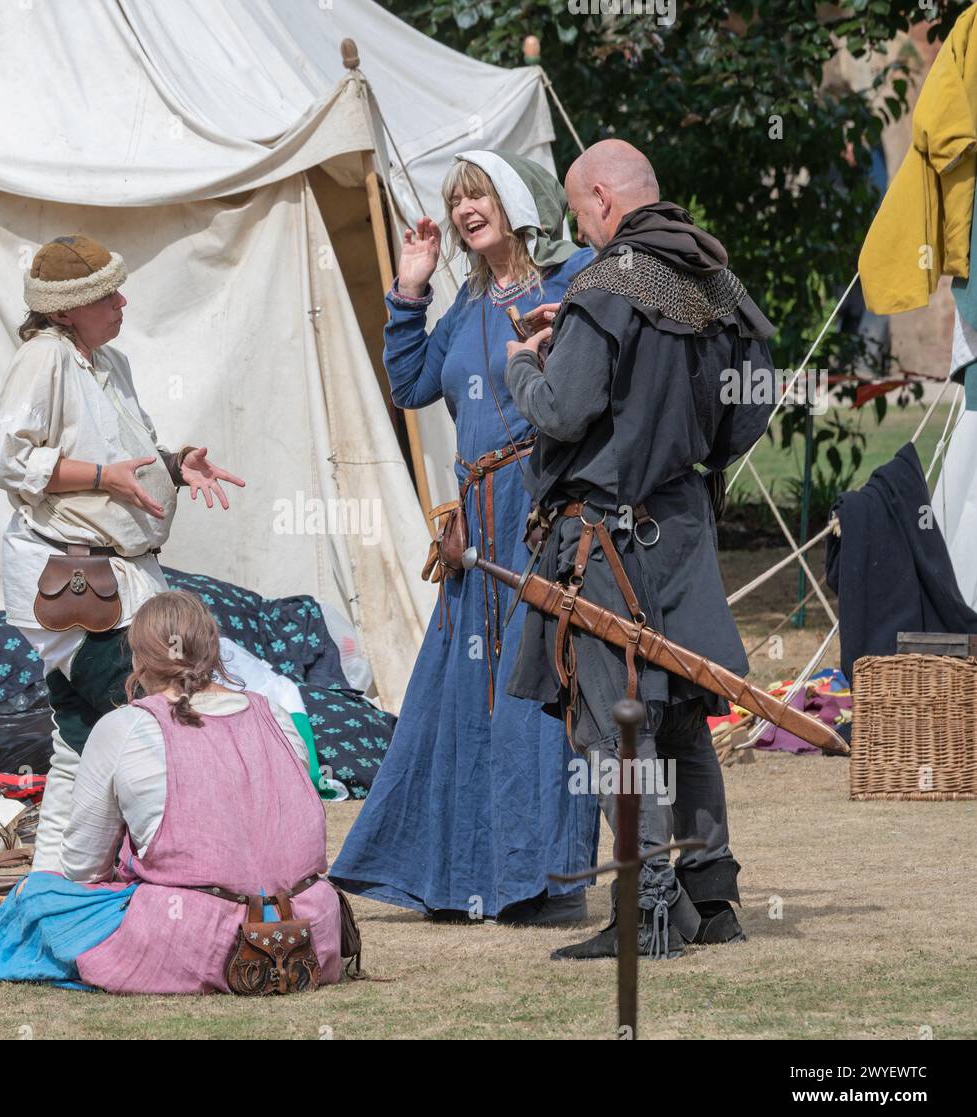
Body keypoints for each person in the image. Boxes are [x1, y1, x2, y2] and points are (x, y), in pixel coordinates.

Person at [501, 139, 774, 958]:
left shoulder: (608, 282)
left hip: (606, 538)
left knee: (622, 723)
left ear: (602, 201)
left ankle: (647, 911)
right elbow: (751, 401)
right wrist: (689, 451)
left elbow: (560, 409)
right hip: (682, 525)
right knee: (683, 716)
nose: (580, 231)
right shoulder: (719, 284)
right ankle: (711, 900)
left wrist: (523, 362)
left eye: (580, 214)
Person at [329, 151, 601, 925]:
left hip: (538, 509)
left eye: (476, 193)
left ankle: (546, 882)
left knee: (534, 695)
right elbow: (412, 386)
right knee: (456, 700)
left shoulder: (568, 283)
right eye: (455, 201)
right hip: (473, 521)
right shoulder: (465, 305)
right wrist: (411, 288)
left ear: (511, 200)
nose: (462, 210)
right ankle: (455, 876)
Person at [0, 235, 244, 871]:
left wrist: (175, 466)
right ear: (67, 309)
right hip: (70, 573)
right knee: (143, 712)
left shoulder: (110, 362)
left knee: (79, 737)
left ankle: (56, 886)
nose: (122, 302)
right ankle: (172, 869)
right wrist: (104, 478)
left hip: (122, 571)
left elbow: (125, 453)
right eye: (106, 295)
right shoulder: (43, 358)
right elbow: (8, 459)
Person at [0, 590, 342, 994]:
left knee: (38, 894)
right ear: (214, 649)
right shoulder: (274, 713)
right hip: (310, 933)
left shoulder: (125, 727)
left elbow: (84, 868)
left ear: (137, 659)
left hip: (197, 939)